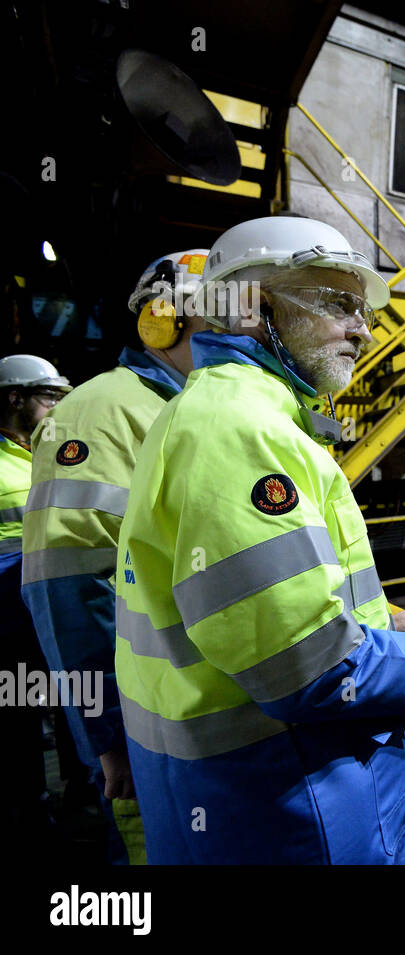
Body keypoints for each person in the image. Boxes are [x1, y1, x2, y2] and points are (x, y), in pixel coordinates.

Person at [114, 216, 405, 864]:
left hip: (247, 801)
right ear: (256, 307)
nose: (363, 329)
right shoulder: (242, 431)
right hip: (297, 813)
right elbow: (309, 672)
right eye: (338, 304)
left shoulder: (206, 413)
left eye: (360, 308)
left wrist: (384, 625)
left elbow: (256, 615)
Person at [21, 250, 210, 865]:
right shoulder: (103, 410)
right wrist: (107, 737)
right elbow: (67, 583)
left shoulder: (197, 407)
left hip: (200, 720)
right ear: (164, 320)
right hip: (143, 734)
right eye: (228, 316)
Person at [0, 353, 71, 851]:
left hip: (56, 610)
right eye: (48, 397)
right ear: (14, 398)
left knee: (78, 704)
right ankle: (30, 816)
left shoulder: (58, 454)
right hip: (8, 619)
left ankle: (86, 795)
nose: (55, 408)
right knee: (20, 717)